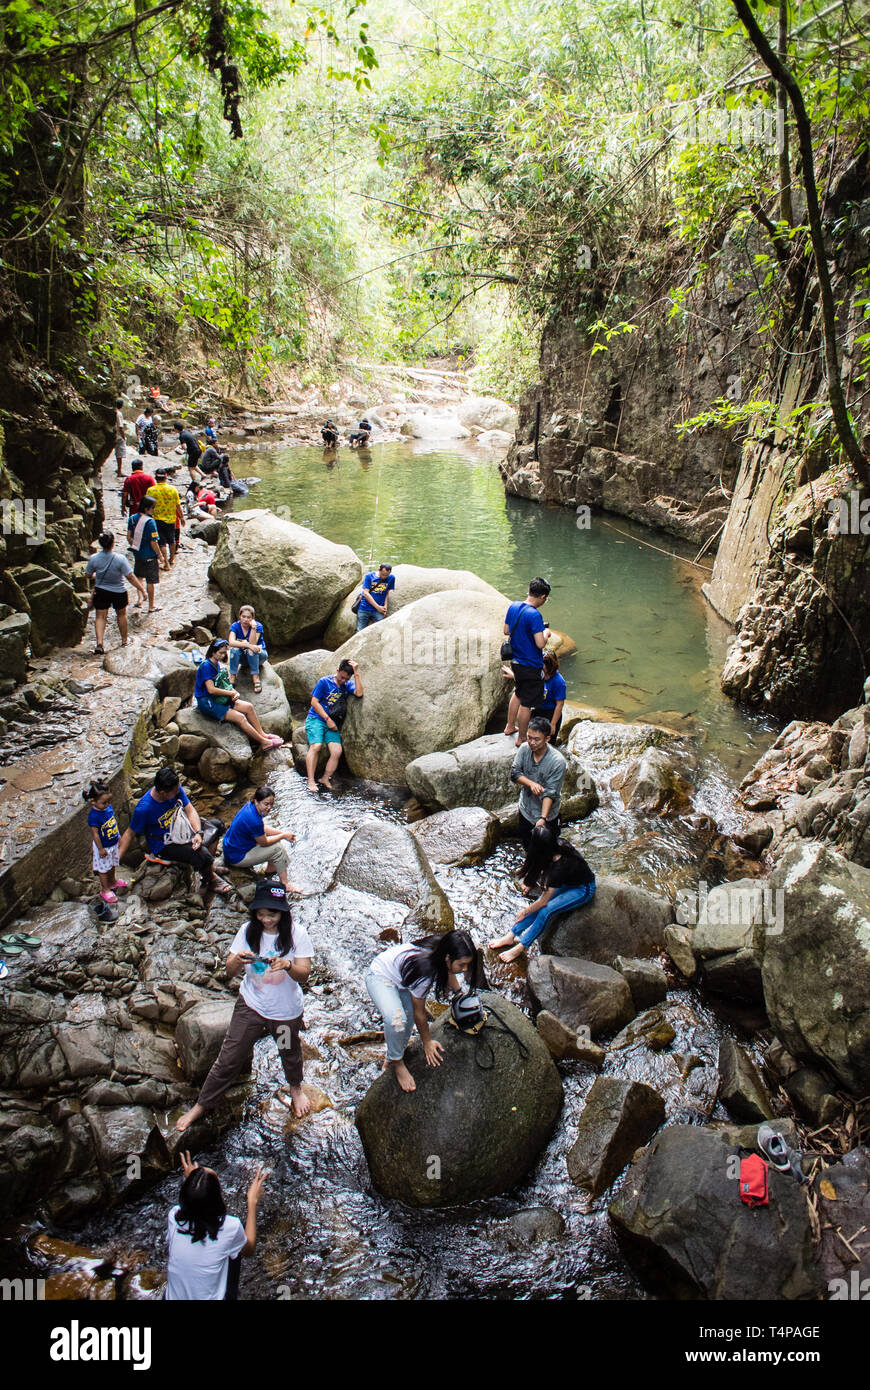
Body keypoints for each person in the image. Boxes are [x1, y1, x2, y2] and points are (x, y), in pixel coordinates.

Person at [176, 879, 314, 1130]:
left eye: (271, 914)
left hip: (284, 1014)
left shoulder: (297, 934)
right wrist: (238, 960)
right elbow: (228, 972)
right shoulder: (247, 930)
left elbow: (304, 973)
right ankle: (202, 1105)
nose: (266, 920)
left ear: (282, 912)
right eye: (261, 914)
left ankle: (295, 1088)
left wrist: (288, 965)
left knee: (288, 1052)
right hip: (251, 1006)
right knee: (228, 1058)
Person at [365, 930, 482, 1093]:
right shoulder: (425, 970)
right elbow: (419, 1013)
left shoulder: (444, 949)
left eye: (467, 964)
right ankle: (397, 1063)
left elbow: (448, 971)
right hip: (380, 976)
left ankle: (392, 1056)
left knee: (406, 1023)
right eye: (462, 964)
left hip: (403, 980)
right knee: (397, 1020)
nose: (465, 969)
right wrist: (427, 1042)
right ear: (448, 958)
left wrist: (459, 994)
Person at [165, 1153, 267, 1301]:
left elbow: (194, 1206)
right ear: (217, 1197)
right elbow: (249, 1249)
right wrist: (252, 1201)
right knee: (236, 1251)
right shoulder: (230, 1227)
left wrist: (193, 1185)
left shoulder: (174, 1217)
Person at [117, 766, 232, 894]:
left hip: (181, 829)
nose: (178, 790)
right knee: (200, 853)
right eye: (175, 790)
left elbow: (190, 809)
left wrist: (197, 833)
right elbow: (129, 833)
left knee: (217, 826)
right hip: (164, 843)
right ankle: (211, 879)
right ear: (163, 793)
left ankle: (209, 867)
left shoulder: (174, 789)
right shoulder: (144, 809)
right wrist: (117, 859)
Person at [488, 839, 596, 963]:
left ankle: (522, 946)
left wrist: (524, 912)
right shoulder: (557, 846)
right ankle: (511, 935)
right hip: (567, 882)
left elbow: (543, 902)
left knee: (546, 910)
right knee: (537, 905)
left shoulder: (559, 868)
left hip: (583, 888)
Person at [194, 638, 284, 753]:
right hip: (208, 702)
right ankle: (264, 742)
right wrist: (231, 693)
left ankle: (262, 734)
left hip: (217, 698)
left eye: (224, 653)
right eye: (220, 653)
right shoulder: (206, 666)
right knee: (240, 718)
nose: (222, 656)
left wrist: (233, 693)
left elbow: (222, 684)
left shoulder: (215, 664)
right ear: (213, 652)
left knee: (248, 707)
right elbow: (211, 690)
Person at [510, 716, 567, 893]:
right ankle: (532, 870)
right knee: (528, 844)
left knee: (547, 848)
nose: (532, 743)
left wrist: (542, 819)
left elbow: (551, 793)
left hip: (547, 814)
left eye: (537, 739)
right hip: (526, 808)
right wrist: (531, 784)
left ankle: (540, 877)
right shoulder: (525, 750)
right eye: (529, 737)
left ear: (547, 739)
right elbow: (514, 773)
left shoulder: (557, 762)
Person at [221, 785, 299, 893]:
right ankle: (285, 884)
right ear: (257, 801)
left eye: (271, 804)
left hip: (231, 848)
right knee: (278, 849)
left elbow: (262, 829)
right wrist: (283, 836)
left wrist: (283, 833)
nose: (269, 807)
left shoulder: (251, 807)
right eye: (266, 804)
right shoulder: (253, 819)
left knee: (275, 840)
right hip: (236, 857)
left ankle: (270, 870)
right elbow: (264, 842)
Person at [502, 577, 552, 746]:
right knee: (527, 703)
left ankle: (509, 727)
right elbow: (540, 643)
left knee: (518, 693)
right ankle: (522, 737)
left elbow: (506, 630)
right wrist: (546, 633)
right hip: (530, 664)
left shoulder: (514, 606)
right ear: (543, 596)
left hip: (515, 661)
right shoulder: (534, 614)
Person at [304, 658, 363, 791]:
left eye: (346, 679)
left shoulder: (347, 685)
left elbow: (359, 693)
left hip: (333, 723)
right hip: (316, 718)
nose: (343, 681)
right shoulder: (324, 682)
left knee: (337, 751)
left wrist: (356, 672)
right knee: (317, 746)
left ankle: (324, 778)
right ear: (337, 671)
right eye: (341, 677)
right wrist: (327, 719)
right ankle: (311, 780)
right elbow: (314, 702)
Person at [86, 531, 147, 653]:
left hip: (101, 590)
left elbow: (88, 575)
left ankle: (99, 643)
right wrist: (142, 589)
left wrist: (97, 576)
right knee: (121, 615)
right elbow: (130, 577)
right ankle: (124, 640)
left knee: (100, 617)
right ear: (113, 543)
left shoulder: (94, 558)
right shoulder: (120, 559)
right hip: (118, 591)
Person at [82, 778, 130, 904]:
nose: (107, 804)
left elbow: (113, 822)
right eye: (104, 802)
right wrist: (101, 849)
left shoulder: (107, 809)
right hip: (103, 846)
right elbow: (95, 834)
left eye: (109, 801)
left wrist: (118, 836)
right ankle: (105, 889)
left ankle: (113, 881)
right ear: (93, 802)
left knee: (112, 863)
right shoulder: (94, 816)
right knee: (103, 869)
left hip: (113, 842)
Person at [503, 649, 567, 742]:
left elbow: (559, 705)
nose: (545, 676)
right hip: (537, 710)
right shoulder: (536, 673)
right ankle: (514, 730)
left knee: (547, 741)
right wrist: (515, 675)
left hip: (550, 712)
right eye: (543, 672)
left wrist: (553, 724)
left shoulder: (559, 682)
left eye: (548, 673)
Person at [127, 494, 167, 613]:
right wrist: (160, 555)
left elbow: (129, 537)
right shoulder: (150, 522)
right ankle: (151, 605)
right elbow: (153, 542)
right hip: (149, 555)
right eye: (152, 508)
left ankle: (139, 600)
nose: (154, 510)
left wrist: (135, 545)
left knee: (139, 577)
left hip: (137, 554)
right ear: (146, 508)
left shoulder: (132, 519)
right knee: (150, 581)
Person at [146, 468, 185, 566]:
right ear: (166, 477)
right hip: (171, 519)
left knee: (161, 541)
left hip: (156, 519)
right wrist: (182, 518)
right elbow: (178, 505)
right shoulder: (172, 490)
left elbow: (147, 505)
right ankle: (172, 559)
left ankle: (165, 562)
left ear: (156, 477)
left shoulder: (151, 490)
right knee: (172, 540)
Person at [227, 605, 268, 692]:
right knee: (234, 649)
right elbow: (231, 642)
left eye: (248, 617)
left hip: (259, 656)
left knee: (251, 650)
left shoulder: (258, 626)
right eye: (243, 616)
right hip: (244, 659)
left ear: (252, 618)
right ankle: (232, 676)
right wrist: (248, 645)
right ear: (239, 617)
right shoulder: (235, 626)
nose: (245, 619)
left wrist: (253, 628)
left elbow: (253, 643)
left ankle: (256, 678)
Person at [355, 562, 395, 632]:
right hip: (364, 608)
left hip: (378, 610)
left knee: (380, 631)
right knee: (360, 631)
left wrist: (385, 607)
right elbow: (366, 594)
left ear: (390, 572)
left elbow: (387, 593)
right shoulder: (369, 576)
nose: (384, 577)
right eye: (383, 574)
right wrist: (378, 607)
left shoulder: (391, 578)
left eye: (386, 575)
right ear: (379, 569)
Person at [114, 397, 127, 477]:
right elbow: (120, 427)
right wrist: (123, 436)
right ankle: (119, 471)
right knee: (120, 454)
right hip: (118, 436)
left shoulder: (113, 412)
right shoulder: (118, 414)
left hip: (113, 434)